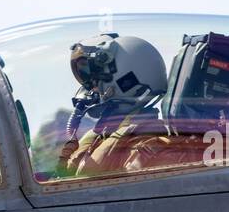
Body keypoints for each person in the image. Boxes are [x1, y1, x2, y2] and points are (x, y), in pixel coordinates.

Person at [55, 34, 168, 178]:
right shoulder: (101, 136)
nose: (91, 88)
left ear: (128, 81)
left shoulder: (145, 146)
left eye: (96, 80)